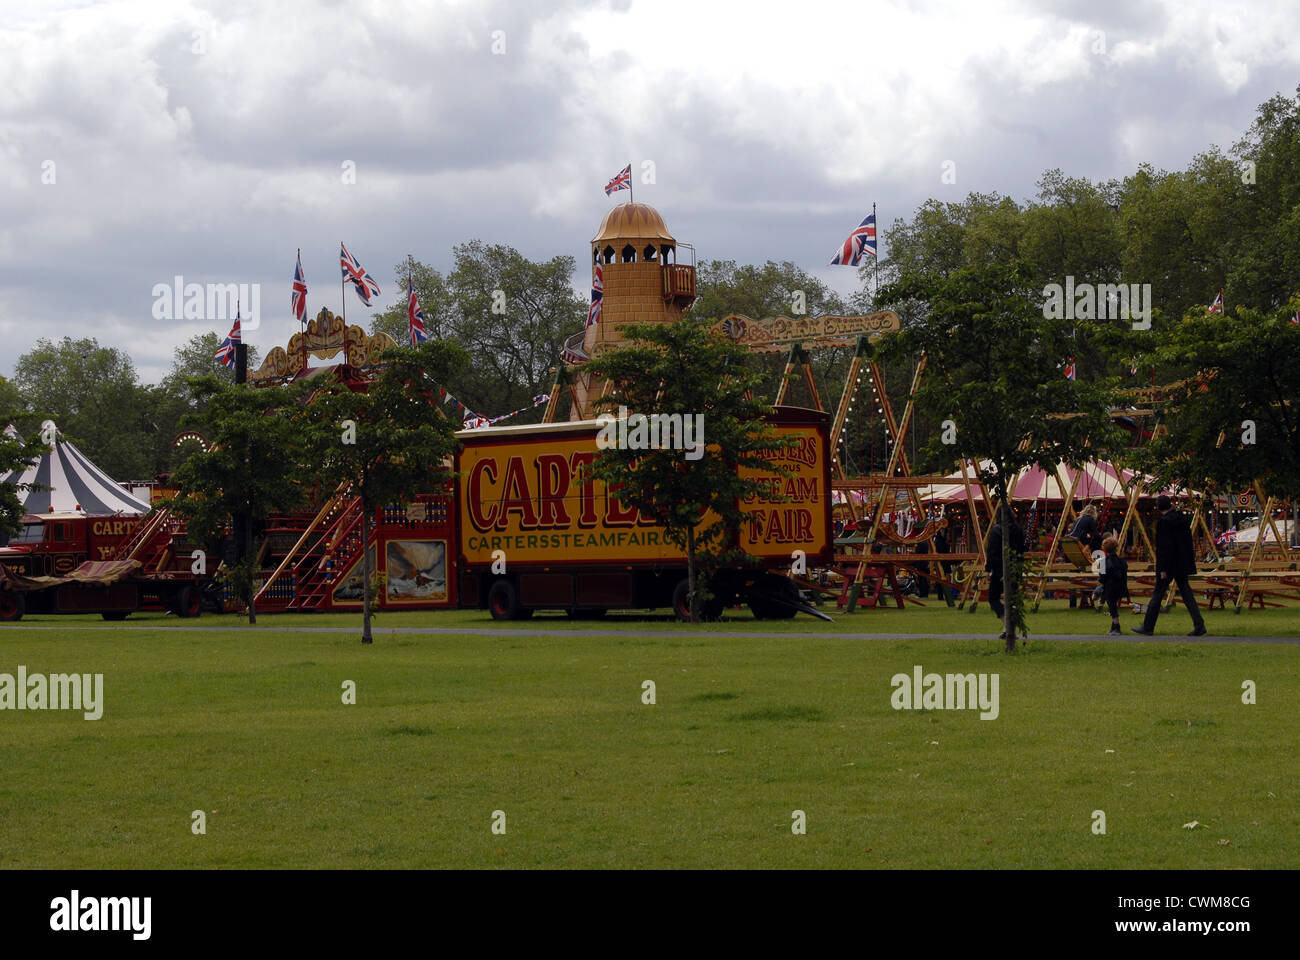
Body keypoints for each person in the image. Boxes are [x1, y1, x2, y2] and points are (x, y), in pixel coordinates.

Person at [1133, 494, 1206, 637]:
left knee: (1158, 593)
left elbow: (1164, 548)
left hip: (1169, 564)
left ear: (1159, 507)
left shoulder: (1164, 523)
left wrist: (1163, 568)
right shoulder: (1183, 520)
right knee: (1186, 594)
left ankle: (1148, 626)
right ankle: (1199, 624)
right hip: (1182, 563)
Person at [985, 505, 1025, 628]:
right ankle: (1010, 624)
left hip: (999, 569)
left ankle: (1007, 623)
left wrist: (988, 569)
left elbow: (991, 552)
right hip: (1014, 567)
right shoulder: (1018, 530)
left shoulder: (995, 530)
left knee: (993, 598)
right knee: (1012, 597)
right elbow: (1021, 550)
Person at [1097, 536, 1129, 635]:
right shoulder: (1122, 561)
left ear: (1104, 549)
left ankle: (1117, 627)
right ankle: (1113, 627)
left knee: (1112, 608)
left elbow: (1102, 578)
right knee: (1113, 605)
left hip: (1110, 587)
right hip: (1121, 587)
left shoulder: (1103, 562)